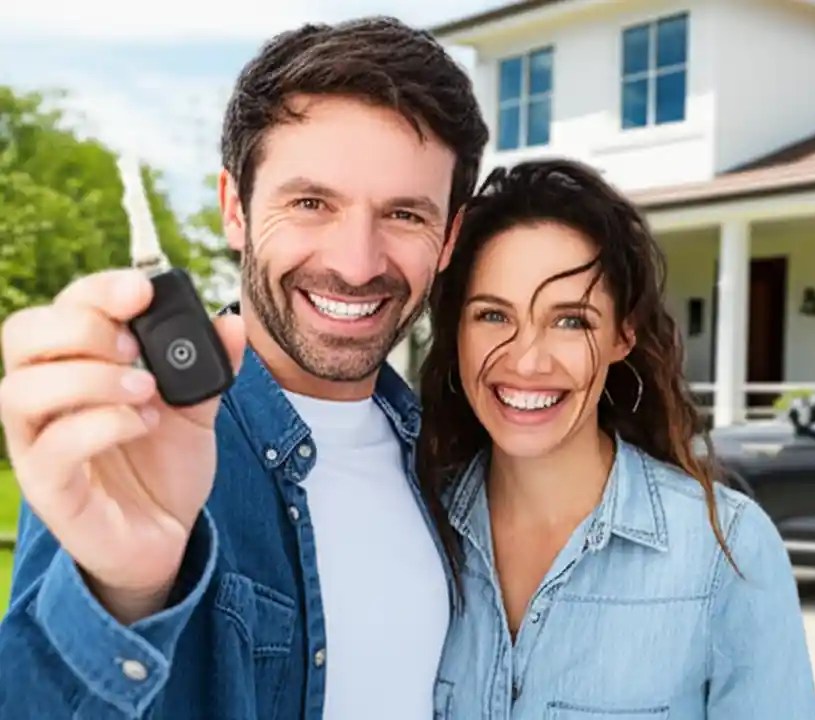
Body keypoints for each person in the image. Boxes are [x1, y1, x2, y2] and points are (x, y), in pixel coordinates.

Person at [0, 16, 486, 719]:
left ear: (449, 238)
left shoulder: (449, 463)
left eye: (405, 214)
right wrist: (124, 594)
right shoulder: (137, 438)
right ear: (235, 207)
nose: (356, 263)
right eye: (311, 203)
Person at [415, 159, 815, 719]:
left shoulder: (726, 550)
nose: (526, 360)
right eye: (492, 315)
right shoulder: (414, 528)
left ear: (622, 333)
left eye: (570, 320)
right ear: (454, 329)